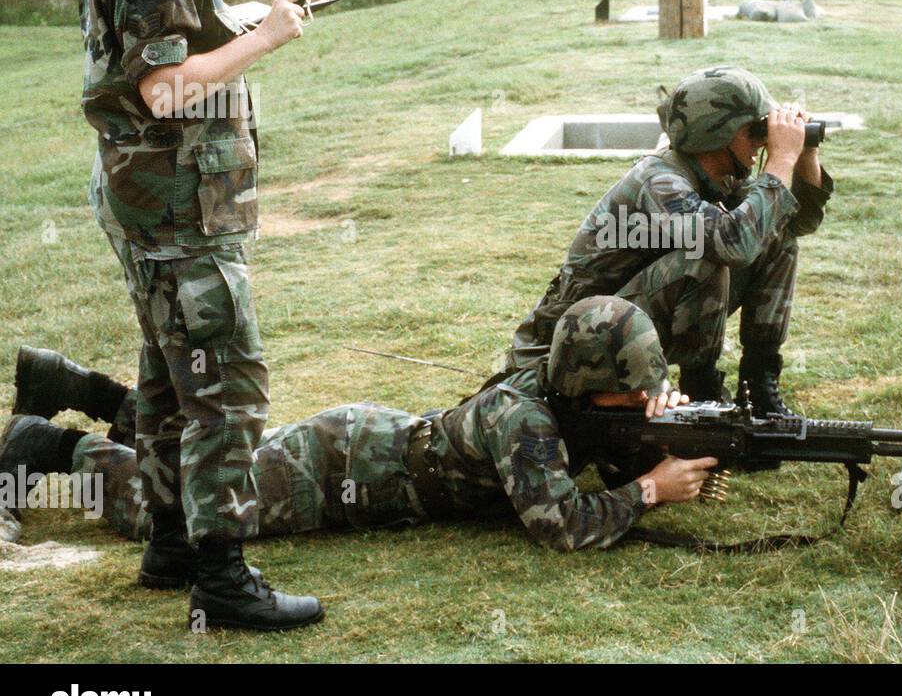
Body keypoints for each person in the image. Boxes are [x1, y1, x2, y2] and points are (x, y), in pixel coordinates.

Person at [80, 0, 323, 629]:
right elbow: (167, 90)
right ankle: (221, 577)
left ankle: (173, 541)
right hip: (180, 214)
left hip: (156, 205)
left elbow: (176, 47)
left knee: (169, 374)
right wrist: (268, 41)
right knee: (228, 384)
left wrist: (243, 18)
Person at [2, 298, 717, 562]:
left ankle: (78, 386)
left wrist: (660, 434)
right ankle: (50, 443)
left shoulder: (568, 395)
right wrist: (651, 491)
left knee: (217, 459)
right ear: (593, 382)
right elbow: (561, 524)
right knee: (185, 511)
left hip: (365, 446)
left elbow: (593, 459)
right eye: (635, 390)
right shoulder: (522, 418)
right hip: (336, 471)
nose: (643, 397)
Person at [509, 66, 833, 419]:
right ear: (717, 133)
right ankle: (702, 392)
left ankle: (759, 385)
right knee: (704, 259)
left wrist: (804, 155)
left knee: (777, 240)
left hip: (631, 319)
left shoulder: (712, 171)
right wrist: (781, 158)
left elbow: (794, 222)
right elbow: (733, 245)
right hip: (574, 343)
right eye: (753, 129)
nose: (761, 140)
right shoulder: (660, 180)